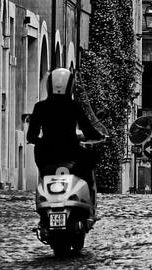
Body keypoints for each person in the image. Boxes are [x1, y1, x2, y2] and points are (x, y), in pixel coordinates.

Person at [27, 66, 106, 202]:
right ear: (70, 86)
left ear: (48, 85)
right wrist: (99, 136)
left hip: (46, 154)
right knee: (89, 164)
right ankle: (88, 200)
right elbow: (87, 129)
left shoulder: (40, 107)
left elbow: (31, 136)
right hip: (71, 152)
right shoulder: (74, 106)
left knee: (44, 173)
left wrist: (41, 142)